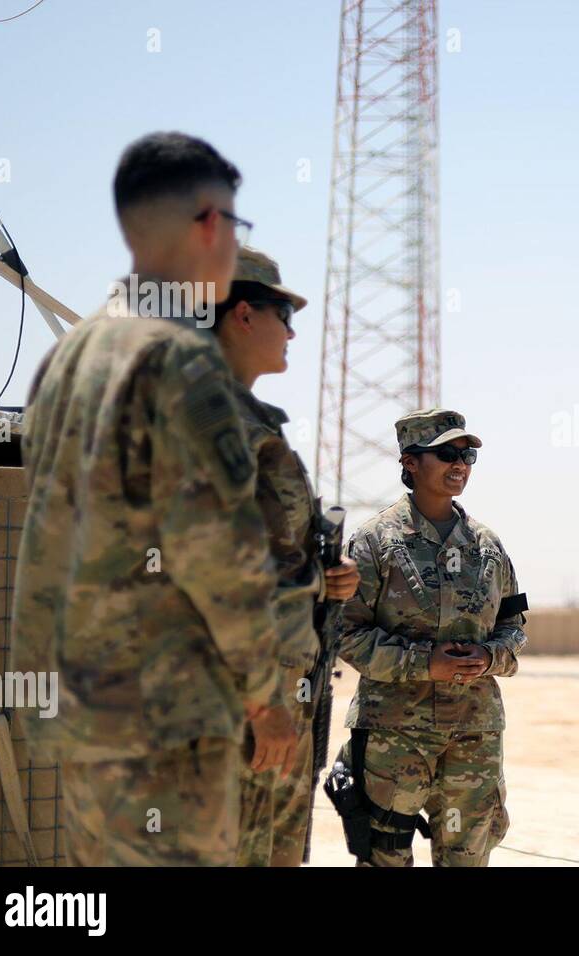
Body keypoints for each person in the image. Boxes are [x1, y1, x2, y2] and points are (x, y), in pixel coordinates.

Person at [11, 132, 295, 866]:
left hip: (79, 716)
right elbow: (220, 555)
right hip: (165, 722)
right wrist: (266, 693)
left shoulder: (68, 355)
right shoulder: (178, 357)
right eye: (237, 224)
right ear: (209, 224)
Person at [208, 247, 361, 866]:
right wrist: (261, 702)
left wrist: (328, 583)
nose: (292, 329)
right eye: (282, 311)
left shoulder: (249, 424)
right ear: (242, 314)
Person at [334, 408, 527, 866]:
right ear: (410, 462)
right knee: (384, 856)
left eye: (467, 455)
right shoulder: (373, 542)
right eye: (446, 454)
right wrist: (424, 663)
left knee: (468, 856)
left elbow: (514, 627)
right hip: (393, 734)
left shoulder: (487, 544)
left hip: (474, 734)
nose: (460, 464)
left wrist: (490, 656)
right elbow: (344, 632)